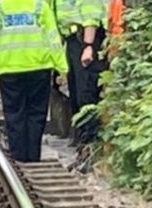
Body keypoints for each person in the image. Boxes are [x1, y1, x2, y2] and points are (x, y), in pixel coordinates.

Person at [0, 0, 67, 162]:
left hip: (9, 70)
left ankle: (19, 157)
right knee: (36, 114)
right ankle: (33, 156)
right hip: (39, 69)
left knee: (14, 114)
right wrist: (62, 68)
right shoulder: (40, 6)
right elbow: (53, 39)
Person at [51, 0, 107, 145]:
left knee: (86, 92)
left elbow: (91, 13)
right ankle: (82, 138)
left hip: (86, 39)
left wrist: (88, 46)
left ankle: (90, 141)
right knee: (76, 92)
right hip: (73, 41)